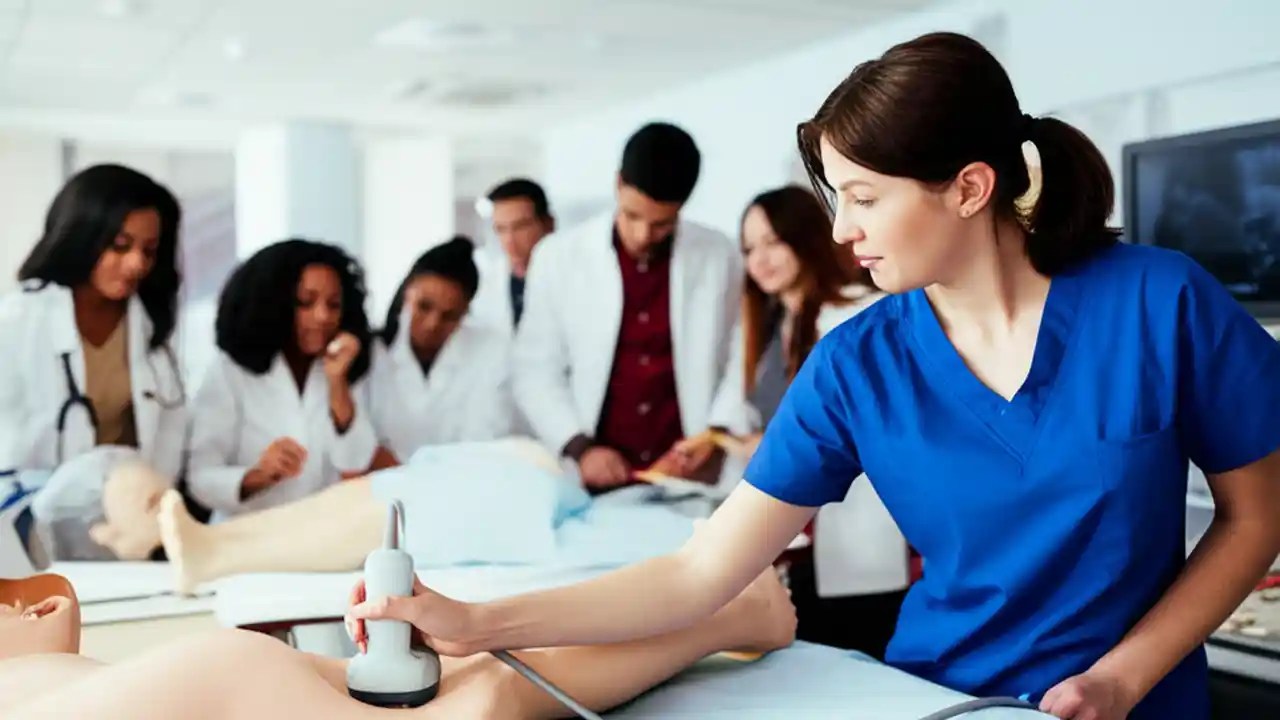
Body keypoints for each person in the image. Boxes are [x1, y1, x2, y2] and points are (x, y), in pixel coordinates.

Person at [346, 32, 1280, 720]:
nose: (841, 230)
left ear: (969, 187)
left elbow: (1256, 516)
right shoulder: (856, 365)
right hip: (936, 699)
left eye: (865, 197)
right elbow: (698, 574)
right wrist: (478, 623)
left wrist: (1124, 677)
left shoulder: (1160, 303)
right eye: (838, 198)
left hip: (1140, 705)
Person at [0, 564, 796, 719]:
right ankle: (737, 615)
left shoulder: (44, 680)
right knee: (480, 691)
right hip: (218, 677)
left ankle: (736, 614)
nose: (39, 598)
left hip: (216, 679)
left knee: (470, 684)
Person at [709, 185, 910, 658]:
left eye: (772, 242)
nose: (759, 260)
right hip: (788, 540)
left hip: (851, 537)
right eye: (749, 249)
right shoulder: (766, 324)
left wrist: (770, 444)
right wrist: (718, 440)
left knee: (853, 654)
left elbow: (875, 428)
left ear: (806, 238)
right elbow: (737, 411)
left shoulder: (857, 314)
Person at [513, 122, 746, 492]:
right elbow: (534, 370)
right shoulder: (558, 257)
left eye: (661, 224)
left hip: (688, 474)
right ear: (618, 183)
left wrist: (715, 433)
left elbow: (742, 354)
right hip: (592, 474)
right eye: (633, 216)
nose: (642, 235)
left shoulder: (720, 255)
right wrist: (579, 446)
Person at [0, 164, 189, 561]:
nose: (136, 264)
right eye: (120, 246)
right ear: (82, 236)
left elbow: (169, 437)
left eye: (149, 250)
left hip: (127, 533)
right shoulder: (19, 320)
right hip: (29, 529)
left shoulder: (151, 330)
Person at [187, 239, 377, 519]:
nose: (323, 316)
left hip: (323, 533)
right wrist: (258, 475)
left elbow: (356, 462)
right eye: (306, 303)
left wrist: (337, 383)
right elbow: (200, 478)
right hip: (248, 534)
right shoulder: (230, 371)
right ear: (275, 304)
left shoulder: (342, 365)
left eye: (334, 304)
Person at [365, 237, 517, 467]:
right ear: (407, 292)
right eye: (424, 306)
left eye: (449, 316)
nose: (432, 324)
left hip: (461, 481)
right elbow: (359, 445)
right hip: (381, 484)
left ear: (466, 311)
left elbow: (485, 442)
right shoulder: (372, 352)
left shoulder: (492, 352)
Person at [471, 178, 556, 335]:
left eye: (520, 226)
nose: (510, 239)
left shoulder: (575, 280)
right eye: (501, 229)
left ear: (549, 224)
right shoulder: (485, 286)